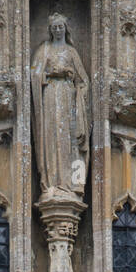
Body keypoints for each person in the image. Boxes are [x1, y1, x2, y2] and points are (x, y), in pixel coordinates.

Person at [31, 12, 90, 197]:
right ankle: (51, 182)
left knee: (69, 141)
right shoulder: (44, 50)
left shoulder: (71, 52)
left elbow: (84, 81)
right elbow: (34, 75)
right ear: (50, 30)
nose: (58, 30)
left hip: (68, 98)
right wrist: (49, 75)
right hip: (49, 97)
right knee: (50, 137)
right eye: (54, 27)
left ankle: (72, 183)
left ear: (66, 29)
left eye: (60, 27)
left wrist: (70, 78)